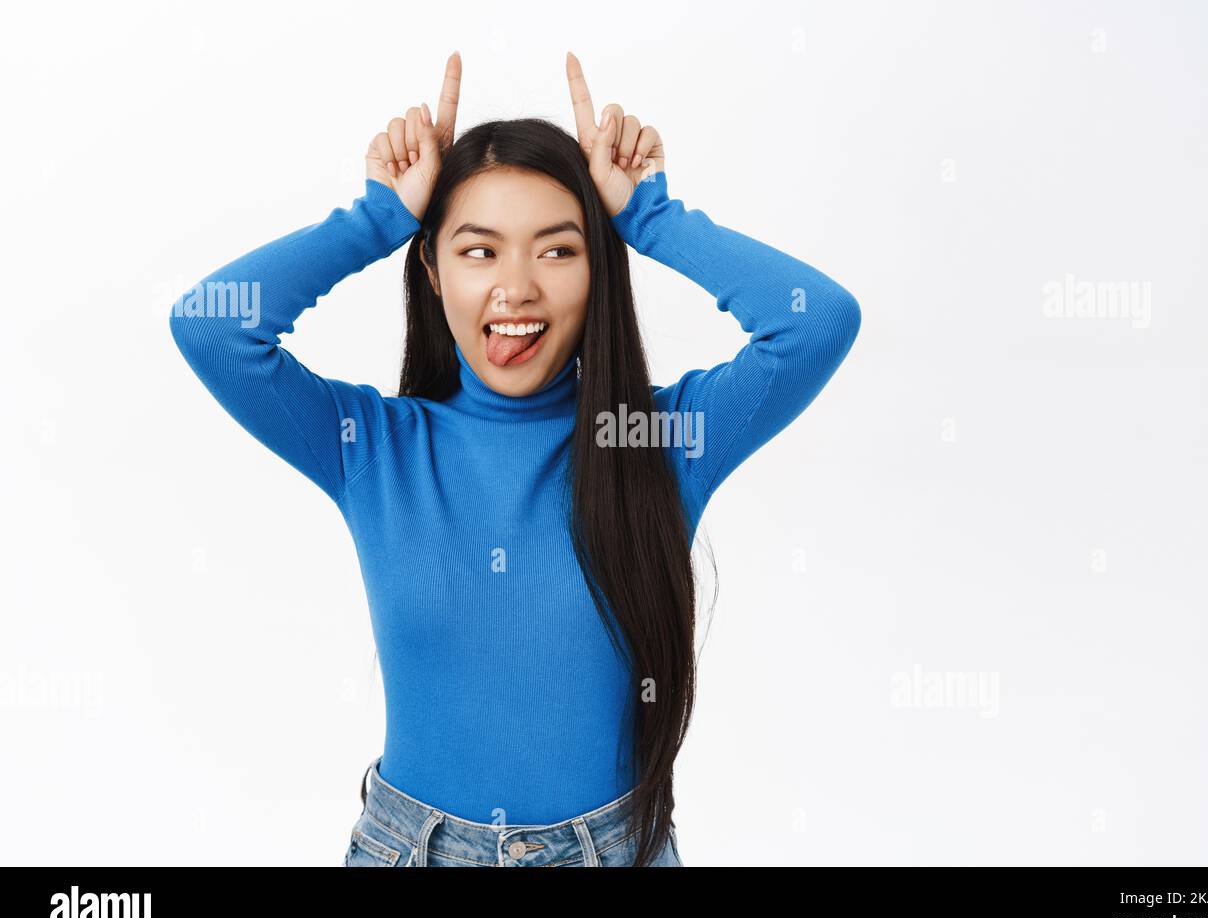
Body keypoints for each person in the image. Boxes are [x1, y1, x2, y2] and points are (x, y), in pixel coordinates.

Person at [168, 51, 860, 866]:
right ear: (431, 272)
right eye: (479, 250)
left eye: (559, 251)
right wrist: (377, 219)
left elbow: (816, 323)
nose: (517, 287)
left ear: (598, 274)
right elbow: (211, 326)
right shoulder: (373, 448)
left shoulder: (657, 443)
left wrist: (649, 218)